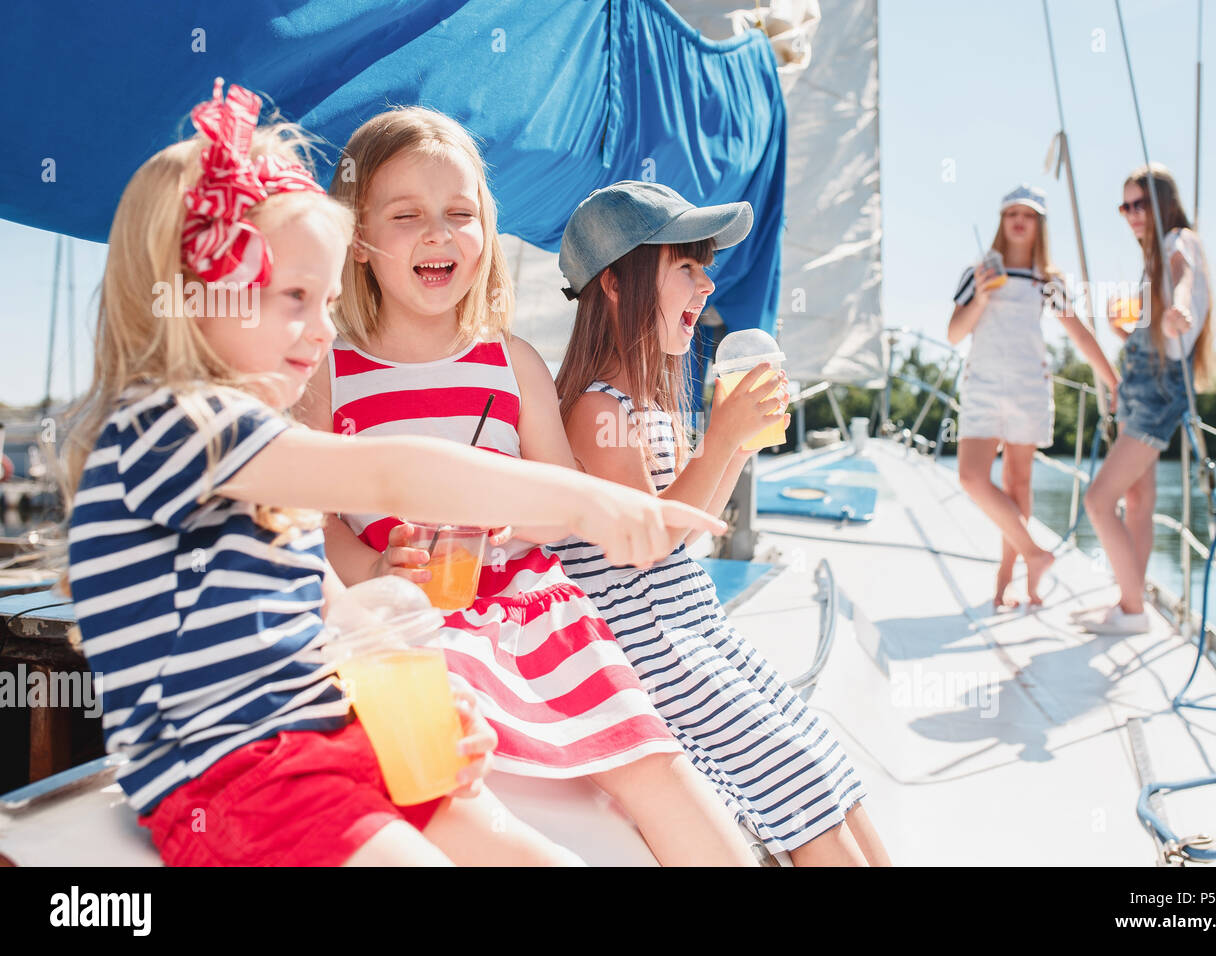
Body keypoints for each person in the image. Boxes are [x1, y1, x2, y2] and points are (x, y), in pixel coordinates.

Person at [61, 81, 723, 867]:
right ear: (193, 295)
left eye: (328, 300)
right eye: (294, 299)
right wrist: (581, 499)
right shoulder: (172, 428)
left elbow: (331, 613)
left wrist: (428, 699)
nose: (319, 332)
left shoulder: (255, 463)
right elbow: (387, 476)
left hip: (335, 740)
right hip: (244, 783)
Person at [296, 107, 759, 866]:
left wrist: (513, 518)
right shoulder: (330, 373)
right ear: (359, 239)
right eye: (407, 215)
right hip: (412, 621)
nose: (438, 234)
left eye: (460, 214)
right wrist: (373, 571)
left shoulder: (512, 363)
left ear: (486, 233)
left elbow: (558, 501)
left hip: (533, 611)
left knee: (654, 764)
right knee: (444, 762)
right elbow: (312, 521)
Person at [551, 181, 893, 866]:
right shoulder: (593, 409)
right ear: (616, 284)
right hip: (658, 652)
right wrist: (723, 437)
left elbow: (697, 519)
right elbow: (652, 539)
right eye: (687, 265)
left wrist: (738, 442)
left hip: (697, 631)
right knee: (795, 780)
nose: (707, 283)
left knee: (824, 762)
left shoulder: (647, 404)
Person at [948, 185, 1119, 608]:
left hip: (1028, 386)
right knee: (971, 476)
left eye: (1028, 215)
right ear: (1002, 222)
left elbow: (1079, 333)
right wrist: (984, 295)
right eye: (1011, 214)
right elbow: (954, 334)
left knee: (1018, 482)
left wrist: (1113, 381)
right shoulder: (978, 273)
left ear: (1039, 225)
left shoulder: (1049, 281)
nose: (1019, 221)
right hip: (983, 384)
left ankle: (1012, 579)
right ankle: (1034, 554)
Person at [1078, 164, 1216, 635]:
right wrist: (1131, 328)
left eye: (1140, 204)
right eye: (1125, 206)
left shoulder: (1179, 241)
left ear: (1165, 204)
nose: (1132, 214)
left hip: (1157, 388)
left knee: (1099, 501)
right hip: (1140, 383)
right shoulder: (1153, 255)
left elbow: (1181, 275)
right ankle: (1129, 600)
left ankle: (1134, 611)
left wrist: (1179, 307)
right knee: (1137, 499)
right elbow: (1156, 319)